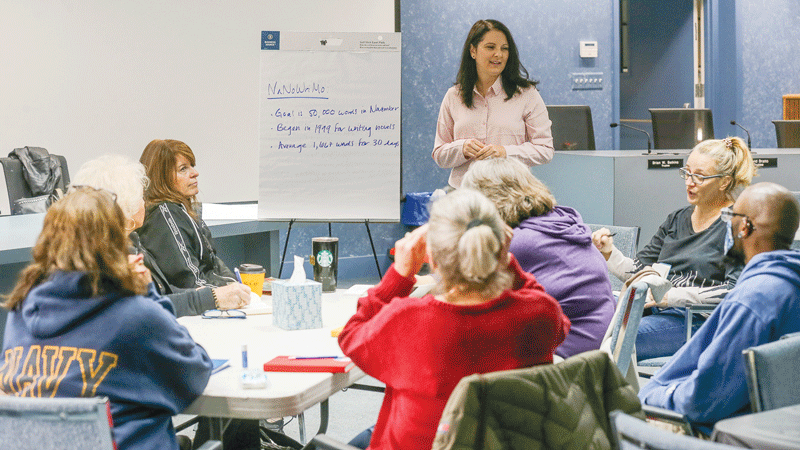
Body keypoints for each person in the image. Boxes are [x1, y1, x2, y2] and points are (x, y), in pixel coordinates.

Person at [338, 189, 570, 449]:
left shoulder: (406, 319)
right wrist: (506, 262)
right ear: (500, 247)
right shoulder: (539, 313)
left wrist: (400, 274)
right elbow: (558, 322)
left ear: (433, 260)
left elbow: (351, 337)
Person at [0, 187, 212, 450]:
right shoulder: (136, 314)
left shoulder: (21, 309)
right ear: (115, 241)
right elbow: (194, 374)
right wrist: (148, 293)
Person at [638, 182, 800, 427]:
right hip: (772, 425)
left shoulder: (752, 301)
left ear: (744, 227)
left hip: (723, 429)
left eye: (730, 217)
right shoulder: (787, 283)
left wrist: (650, 396)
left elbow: (701, 402)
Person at [592, 137, 756, 360]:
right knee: (587, 321)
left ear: (724, 182)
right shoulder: (677, 219)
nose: (689, 182)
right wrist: (610, 253)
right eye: (687, 173)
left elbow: (734, 290)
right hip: (655, 311)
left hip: (696, 322)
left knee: (614, 337)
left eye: (699, 176)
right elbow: (640, 270)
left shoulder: (736, 225)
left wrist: (671, 297)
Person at [462, 157, 614, 358]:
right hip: (594, 343)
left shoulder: (518, 242)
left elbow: (462, 288)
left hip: (564, 353)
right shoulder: (561, 221)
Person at [71, 155, 251, 317]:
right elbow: (146, 306)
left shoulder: (129, 241)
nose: (144, 202)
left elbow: (162, 293)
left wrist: (205, 295)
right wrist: (210, 298)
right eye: (141, 196)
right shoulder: (107, 258)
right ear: (125, 207)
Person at [432, 19, 553, 189]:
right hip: (464, 194)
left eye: (504, 49)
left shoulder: (527, 95)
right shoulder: (454, 96)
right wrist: (462, 148)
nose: (499, 54)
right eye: (490, 47)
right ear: (473, 51)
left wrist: (505, 152)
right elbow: (439, 154)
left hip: (511, 194)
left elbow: (545, 150)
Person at [137, 139, 241, 290]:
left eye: (192, 166)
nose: (195, 173)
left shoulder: (184, 210)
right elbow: (190, 281)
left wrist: (236, 285)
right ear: (162, 178)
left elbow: (212, 263)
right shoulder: (165, 215)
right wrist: (231, 290)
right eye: (183, 169)